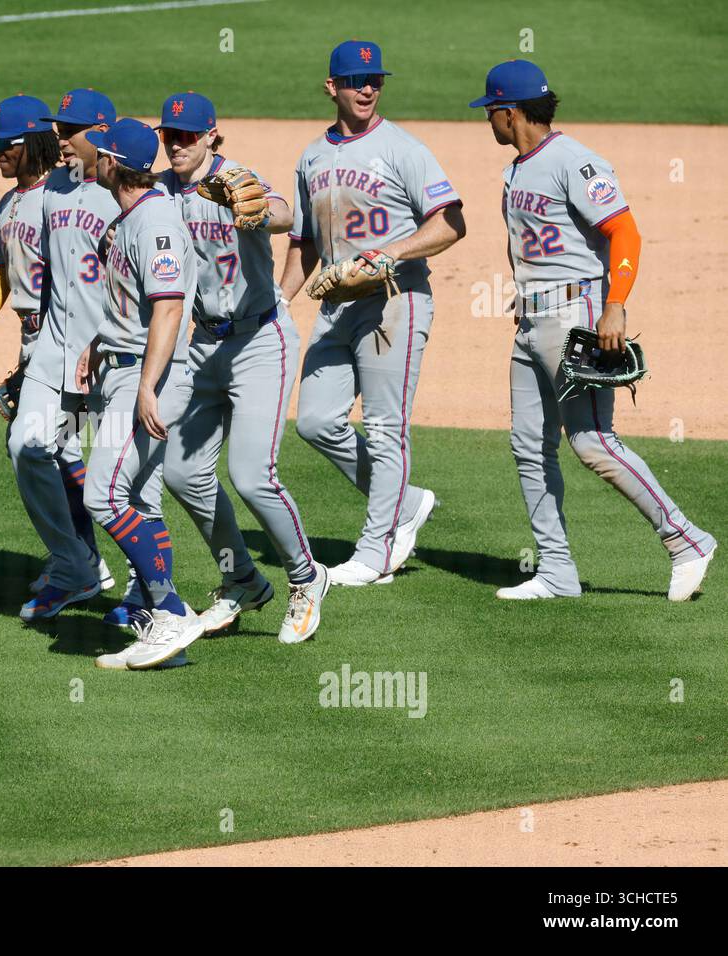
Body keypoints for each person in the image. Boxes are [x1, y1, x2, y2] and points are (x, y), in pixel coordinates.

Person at [469, 59, 716, 601]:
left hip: (574, 317)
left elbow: (625, 231)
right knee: (529, 446)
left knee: (593, 442)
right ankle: (555, 570)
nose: (488, 121)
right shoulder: (516, 169)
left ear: (510, 113)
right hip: (531, 319)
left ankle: (686, 539)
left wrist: (616, 306)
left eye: (490, 112)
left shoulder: (574, 162)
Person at [280, 40, 466, 587]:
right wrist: (276, 303)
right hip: (337, 308)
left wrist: (389, 254)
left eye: (375, 80)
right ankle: (405, 504)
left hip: (394, 303)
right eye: (356, 80)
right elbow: (304, 243)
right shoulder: (312, 155)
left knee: (385, 429)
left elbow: (450, 222)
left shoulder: (404, 148)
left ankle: (377, 549)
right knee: (315, 421)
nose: (367, 89)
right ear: (331, 87)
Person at [156, 92, 329, 644]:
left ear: (213, 137)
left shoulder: (238, 179)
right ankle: (242, 579)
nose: (177, 144)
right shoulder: (162, 192)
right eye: (169, 135)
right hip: (203, 345)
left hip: (260, 342)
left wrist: (255, 211)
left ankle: (306, 577)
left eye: (187, 135)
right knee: (182, 473)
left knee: (253, 477)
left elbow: (280, 213)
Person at [0, 94, 112, 618]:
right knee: (52, 452)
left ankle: (82, 560)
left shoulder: (61, 197)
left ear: (35, 142)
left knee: (51, 450)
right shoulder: (8, 205)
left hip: (68, 340)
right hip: (34, 337)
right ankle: (83, 558)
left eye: (6, 144)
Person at [75, 119, 200, 671]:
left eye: (94, 157)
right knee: (142, 500)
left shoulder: (155, 223)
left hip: (148, 378)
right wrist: (99, 343)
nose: (87, 164)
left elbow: (170, 308)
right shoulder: (131, 217)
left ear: (110, 162)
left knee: (102, 496)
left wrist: (147, 386)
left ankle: (170, 611)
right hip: (126, 368)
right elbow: (136, 307)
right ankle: (160, 623)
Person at [4, 89, 123, 621]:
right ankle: (75, 564)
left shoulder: (131, 191)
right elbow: (50, 275)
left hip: (110, 351)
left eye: (70, 131)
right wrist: (33, 356)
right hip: (54, 347)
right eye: (58, 130)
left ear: (100, 133)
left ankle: (150, 586)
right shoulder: (52, 188)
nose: (60, 141)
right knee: (28, 447)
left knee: (117, 477)